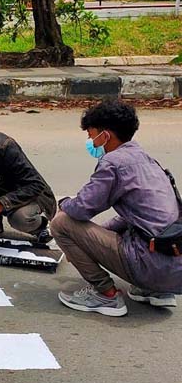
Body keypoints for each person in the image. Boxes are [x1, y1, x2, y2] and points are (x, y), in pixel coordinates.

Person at [53, 100, 181, 317]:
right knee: (135, 228)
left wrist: (63, 203)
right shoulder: (148, 161)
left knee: (61, 223)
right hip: (174, 267)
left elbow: (80, 209)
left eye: (91, 135)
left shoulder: (113, 163)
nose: (90, 141)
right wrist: (95, 239)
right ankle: (155, 292)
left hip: (149, 265)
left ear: (105, 135)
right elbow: (134, 218)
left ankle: (106, 295)